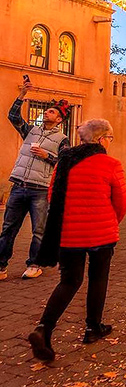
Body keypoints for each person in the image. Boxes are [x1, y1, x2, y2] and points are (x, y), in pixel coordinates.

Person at [28, 118, 126, 361]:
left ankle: (44, 328)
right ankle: (93, 327)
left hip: (68, 234)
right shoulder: (110, 163)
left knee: (69, 281)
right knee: (98, 278)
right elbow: (121, 201)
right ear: (101, 139)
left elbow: (52, 195)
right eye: (110, 138)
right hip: (101, 233)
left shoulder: (65, 161)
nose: (110, 142)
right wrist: (111, 221)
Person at [0, 81, 70, 281]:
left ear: (59, 119)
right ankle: (1, 266)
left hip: (40, 189)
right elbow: (13, 116)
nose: (46, 113)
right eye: (46, 111)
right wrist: (22, 94)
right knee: (8, 229)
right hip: (18, 185)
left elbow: (64, 163)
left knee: (38, 230)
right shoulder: (31, 131)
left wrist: (46, 156)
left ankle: (34, 264)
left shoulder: (62, 140)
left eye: (51, 112)